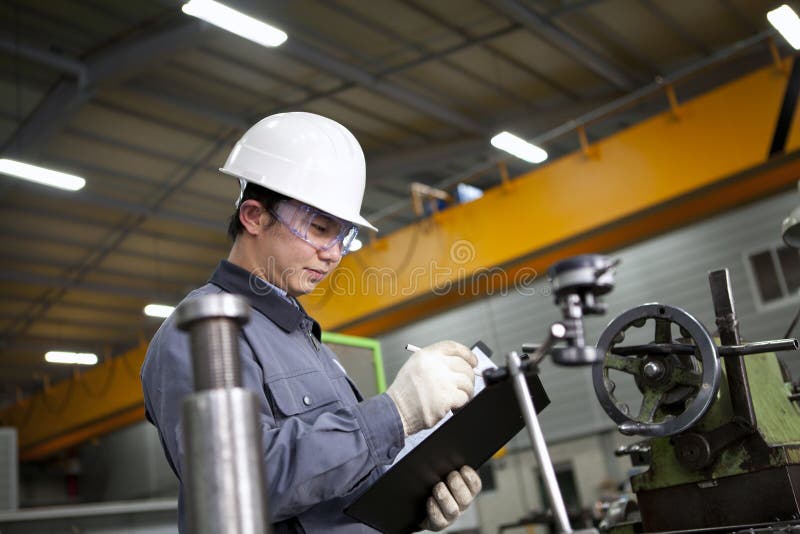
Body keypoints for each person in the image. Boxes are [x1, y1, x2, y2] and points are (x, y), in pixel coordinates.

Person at [141, 111, 482, 533]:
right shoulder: (201, 333)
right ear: (254, 216)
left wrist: (415, 498)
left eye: (343, 237)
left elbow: (331, 492)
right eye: (320, 228)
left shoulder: (303, 338)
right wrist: (395, 414)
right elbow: (233, 488)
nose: (334, 253)